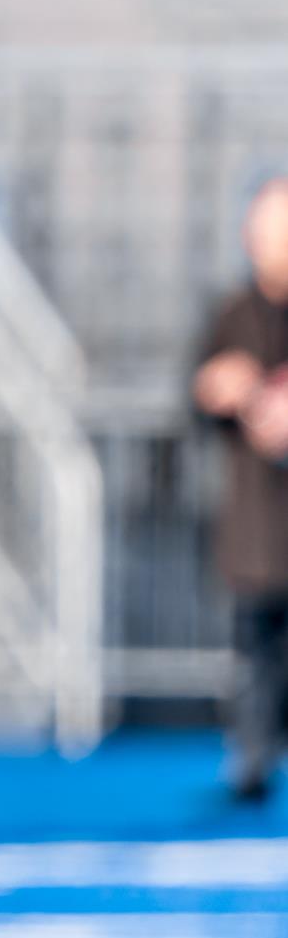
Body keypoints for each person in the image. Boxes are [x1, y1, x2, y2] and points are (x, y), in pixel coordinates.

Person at [190, 177, 288, 803]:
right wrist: (221, 388)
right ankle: (252, 763)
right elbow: (195, 396)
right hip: (257, 522)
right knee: (255, 648)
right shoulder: (232, 312)